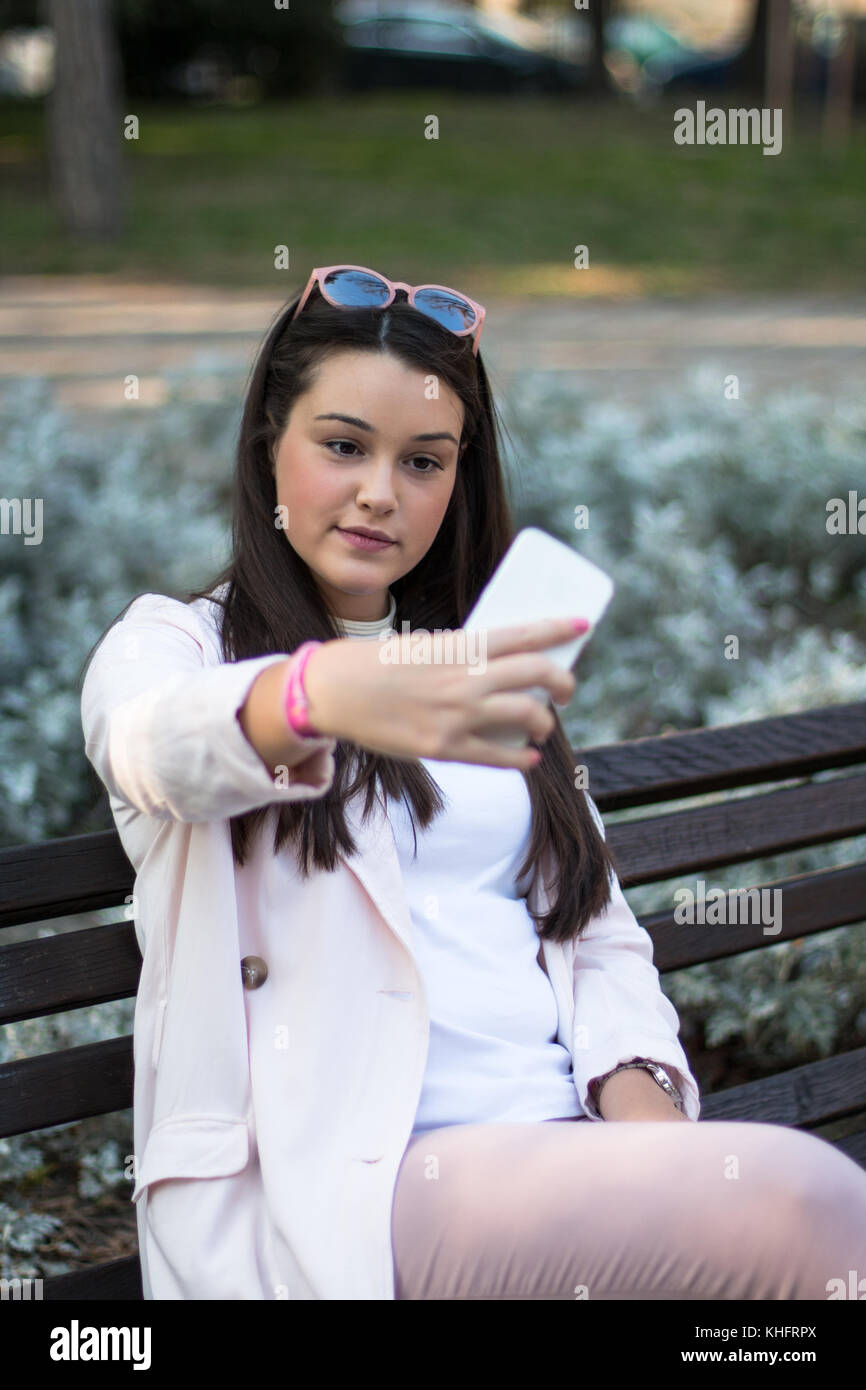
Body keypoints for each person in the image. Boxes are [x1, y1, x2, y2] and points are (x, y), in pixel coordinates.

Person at [80, 265, 866, 1300]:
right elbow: (152, 746)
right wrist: (322, 692)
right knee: (807, 1204)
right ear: (269, 445)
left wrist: (652, 1135)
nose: (379, 493)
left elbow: (592, 932)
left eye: (423, 461)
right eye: (343, 445)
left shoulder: (470, 663)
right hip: (359, 1191)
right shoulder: (179, 645)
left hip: (554, 1160)